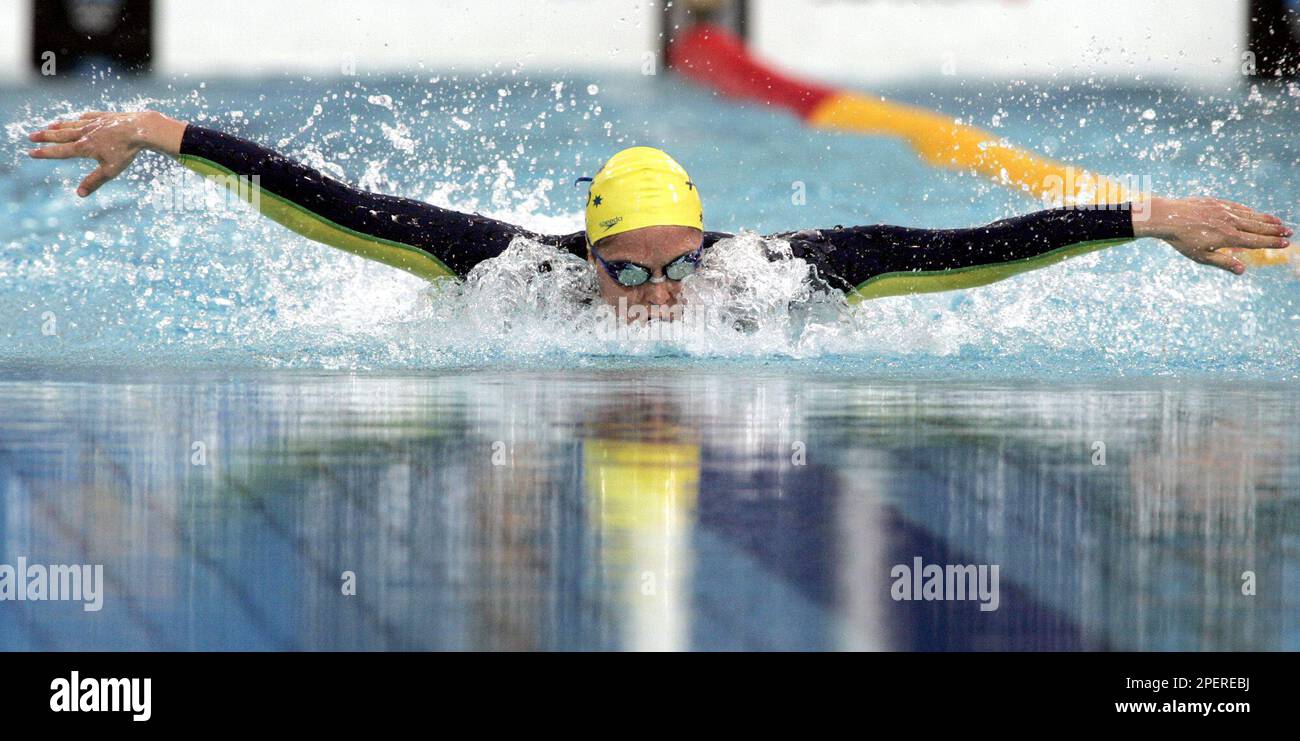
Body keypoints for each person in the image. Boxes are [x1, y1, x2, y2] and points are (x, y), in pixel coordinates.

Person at [28, 111, 1291, 321]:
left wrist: (1145, 215)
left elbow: (944, 250)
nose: (657, 296)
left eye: (670, 267)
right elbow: (337, 207)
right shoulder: (515, 277)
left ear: (708, 241)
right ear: (587, 253)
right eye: (624, 277)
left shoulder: (767, 278)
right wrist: (164, 137)